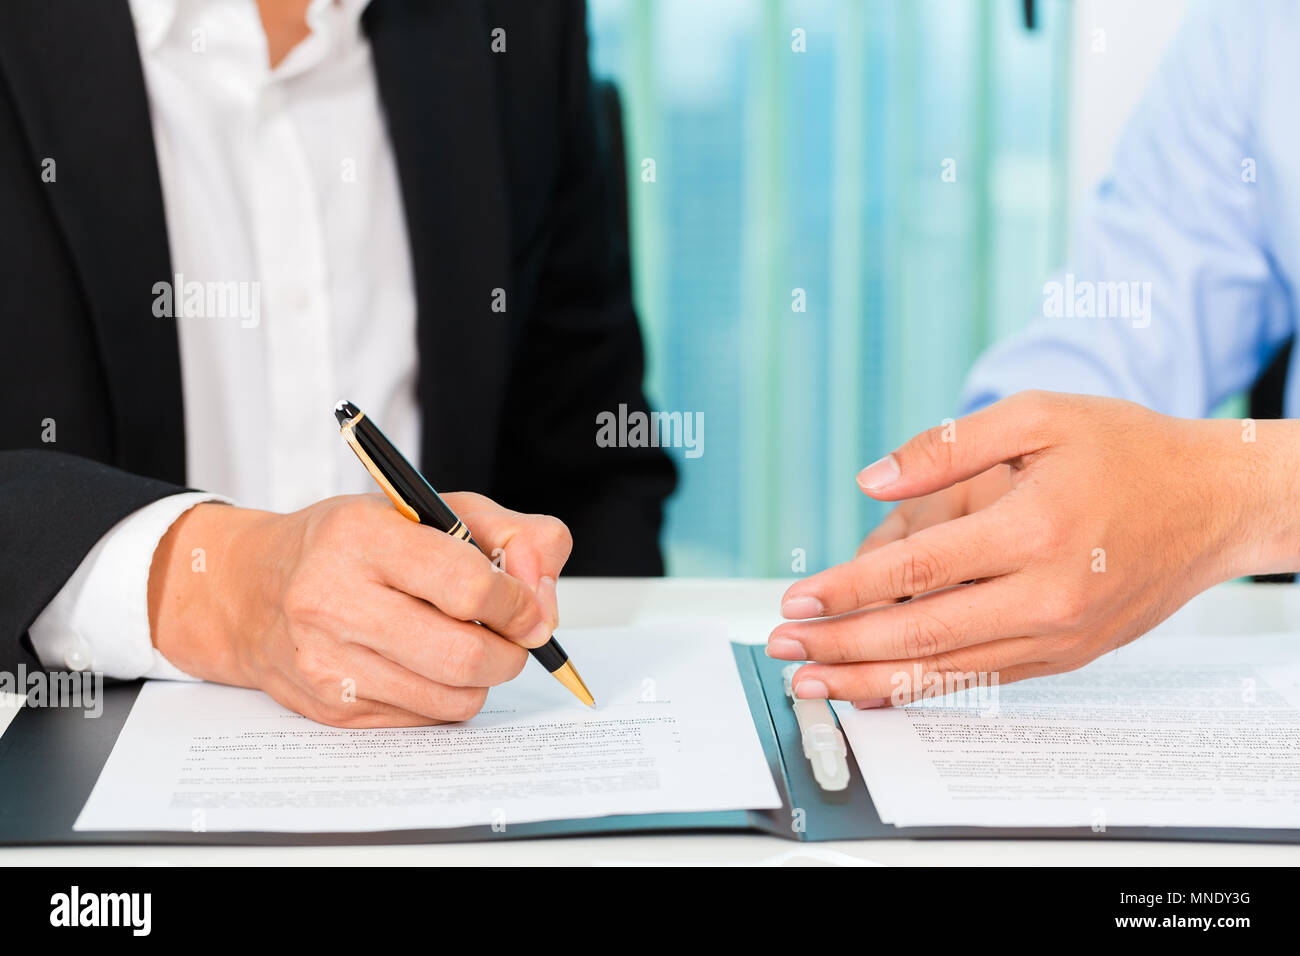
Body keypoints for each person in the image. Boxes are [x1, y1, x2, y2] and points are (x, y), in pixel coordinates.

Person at [0, 0, 674, 726]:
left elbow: (596, 463)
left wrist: (526, 592)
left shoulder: (518, 26)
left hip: (456, 769)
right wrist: (224, 592)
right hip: (68, 758)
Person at [769, 0, 1300, 705]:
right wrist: (1005, 477)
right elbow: (1130, 310)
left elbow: (1205, 484)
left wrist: (1234, 493)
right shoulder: (1256, 29)